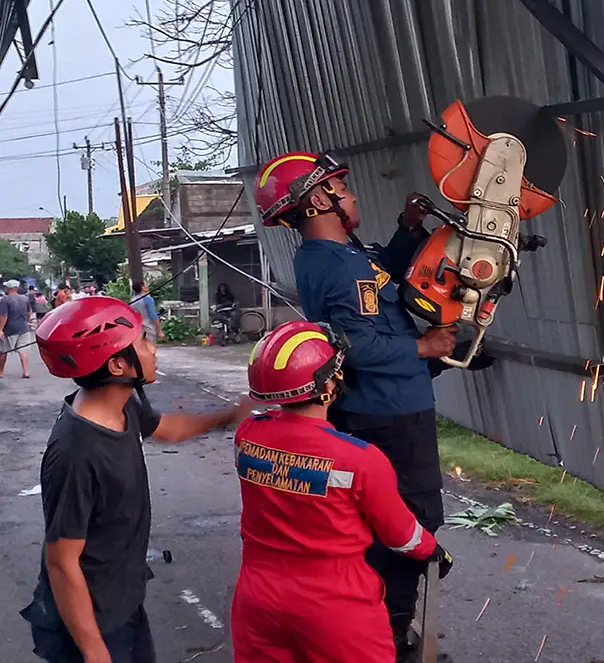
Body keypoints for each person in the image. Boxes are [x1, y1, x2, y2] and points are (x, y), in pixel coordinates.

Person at [254, 151, 462, 661]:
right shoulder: (333, 264)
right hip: (389, 412)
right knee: (407, 522)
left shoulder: (342, 254)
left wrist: (408, 230)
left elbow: (379, 280)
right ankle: (388, 641)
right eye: (340, 189)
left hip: (393, 400)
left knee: (384, 523)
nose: (351, 195)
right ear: (319, 200)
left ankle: (383, 628)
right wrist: (425, 348)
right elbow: (355, 344)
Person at [19, 296, 253, 663]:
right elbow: (62, 562)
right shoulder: (77, 453)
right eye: (143, 342)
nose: (153, 348)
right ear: (116, 364)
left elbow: (165, 428)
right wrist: (94, 650)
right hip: (91, 620)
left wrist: (226, 417)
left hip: (122, 598)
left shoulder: (124, 402)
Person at [231, 320, 453, 662]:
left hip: (257, 597)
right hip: (335, 604)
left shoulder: (248, 435)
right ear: (324, 386)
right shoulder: (359, 459)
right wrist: (431, 550)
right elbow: (399, 534)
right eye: (336, 370)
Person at [0, 278, 35, 378]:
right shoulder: (25, 299)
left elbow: (3, 316)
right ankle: (26, 371)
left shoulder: (5, 300)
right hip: (23, 328)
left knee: (3, 350)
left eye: (6, 287)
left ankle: (1, 372)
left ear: (10, 288)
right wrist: (27, 322)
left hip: (9, 329)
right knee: (23, 350)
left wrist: (0, 329)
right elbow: (29, 313)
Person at [128, 281, 163, 346]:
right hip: (148, 329)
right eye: (145, 285)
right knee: (150, 350)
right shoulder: (148, 299)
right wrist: (159, 330)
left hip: (136, 330)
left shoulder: (132, 300)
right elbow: (153, 315)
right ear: (142, 287)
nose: (147, 286)